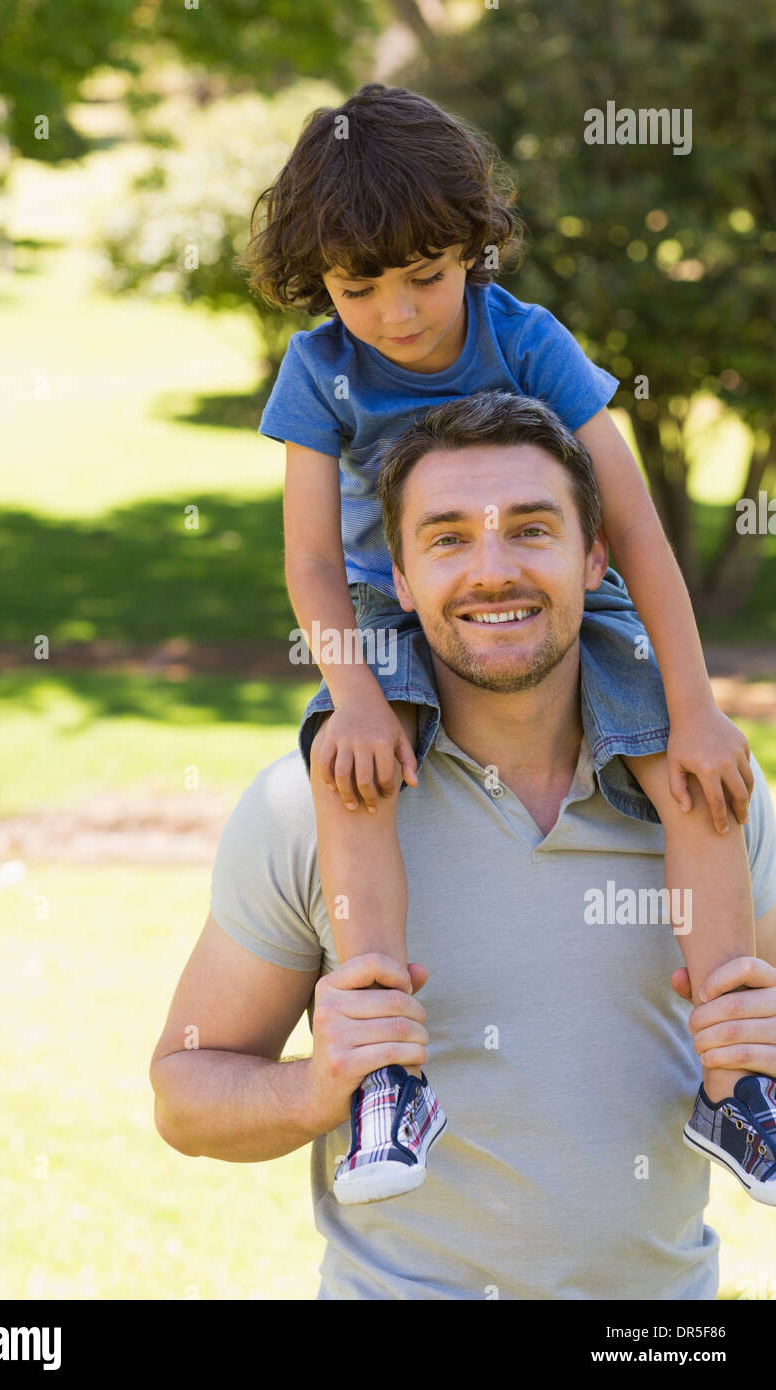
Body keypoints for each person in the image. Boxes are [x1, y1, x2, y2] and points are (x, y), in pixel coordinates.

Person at [236, 82, 761, 1205]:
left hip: (547, 592)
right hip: (384, 607)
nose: (397, 313)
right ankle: (387, 1076)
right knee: (346, 771)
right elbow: (313, 566)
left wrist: (698, 699)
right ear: (320, 283)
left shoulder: (522, 336)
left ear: (472, 246)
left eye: (424, 275)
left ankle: (738, 1082)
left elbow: (630, 528)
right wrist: (359, 698)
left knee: (694, 773)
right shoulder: (317, 369)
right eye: (356, 286)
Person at [150, 392, 776, 1300]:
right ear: (399, 578)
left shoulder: (707, 794)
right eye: (447, 538)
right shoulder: (313, 805)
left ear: (594, 556)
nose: (493, 572)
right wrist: (318, 1088)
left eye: (531, 530)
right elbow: (184, 1094)